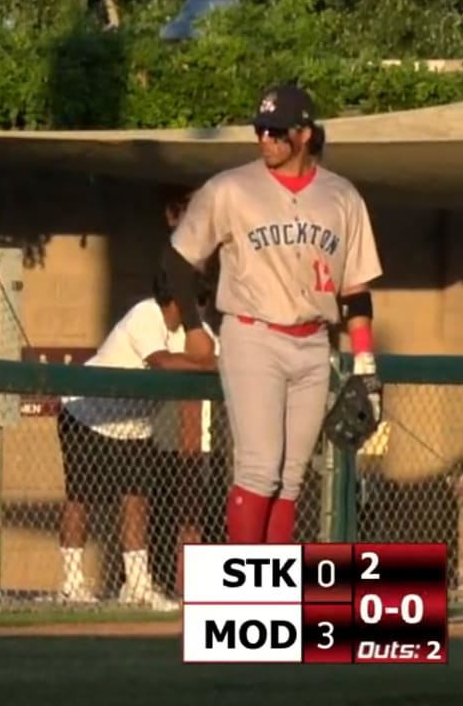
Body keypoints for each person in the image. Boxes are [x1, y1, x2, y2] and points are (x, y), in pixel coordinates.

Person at [163, 84, 382, 544]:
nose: (265, 139)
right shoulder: (230, 188)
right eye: (261, 129)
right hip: (253, 335)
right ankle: (246, 581)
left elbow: (356, 290)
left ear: (304, 134)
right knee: (260, 469)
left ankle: (272, 581)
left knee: (291, 479)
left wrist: (365, 362)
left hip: (313, 342)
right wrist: (193, 328)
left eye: (277, 131)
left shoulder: (342, 196)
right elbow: (178, 260)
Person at [55, 272, 215, 611]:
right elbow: (163, 362)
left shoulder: (195, 331)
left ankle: (138, 585)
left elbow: (218, 358)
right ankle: (71, 585)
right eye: (196, 303)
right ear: (179, 302)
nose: (201, 311)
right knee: (80, 497)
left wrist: (207, 359)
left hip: (135, 425)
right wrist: (204, 364)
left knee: (136, 500)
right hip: (88, 412)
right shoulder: (146, 314)